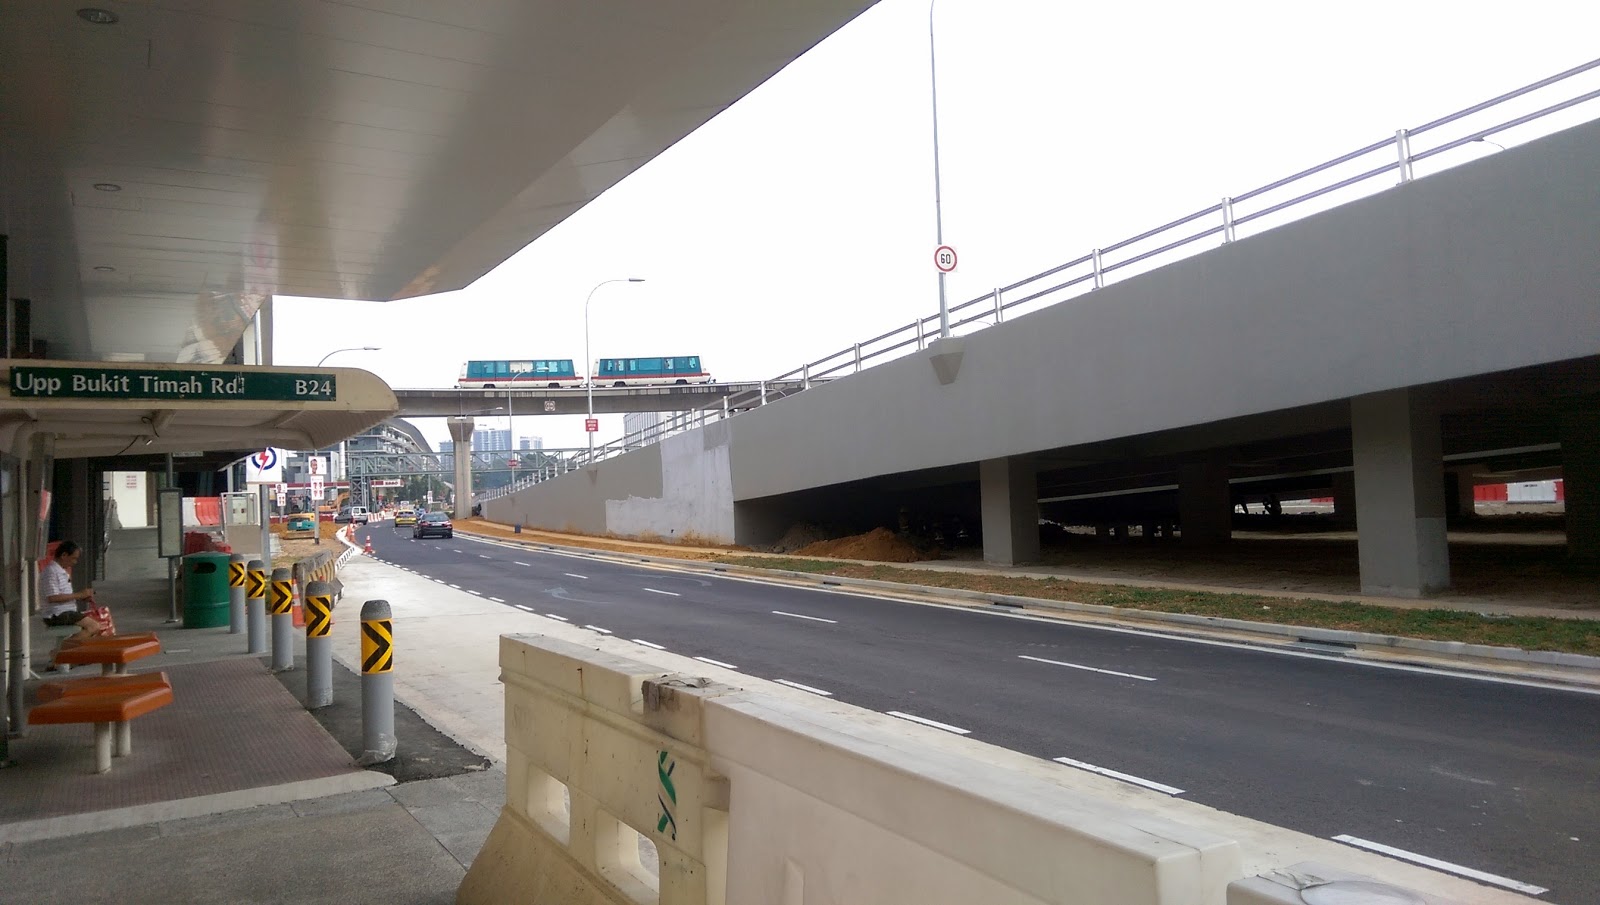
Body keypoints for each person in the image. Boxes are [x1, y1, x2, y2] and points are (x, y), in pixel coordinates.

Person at [39, 541, 108, 642]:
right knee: (93, 626)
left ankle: (66, 649)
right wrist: (80, 595)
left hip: (64, 612)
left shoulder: (61, 571)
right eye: (73, 558)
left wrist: (82, 597)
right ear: (64, 555)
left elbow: (65, 596)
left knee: (91, 627)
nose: (74, 562)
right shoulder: (51, 572)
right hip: (57, 614)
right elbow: (52, 597)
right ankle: (62, 650)